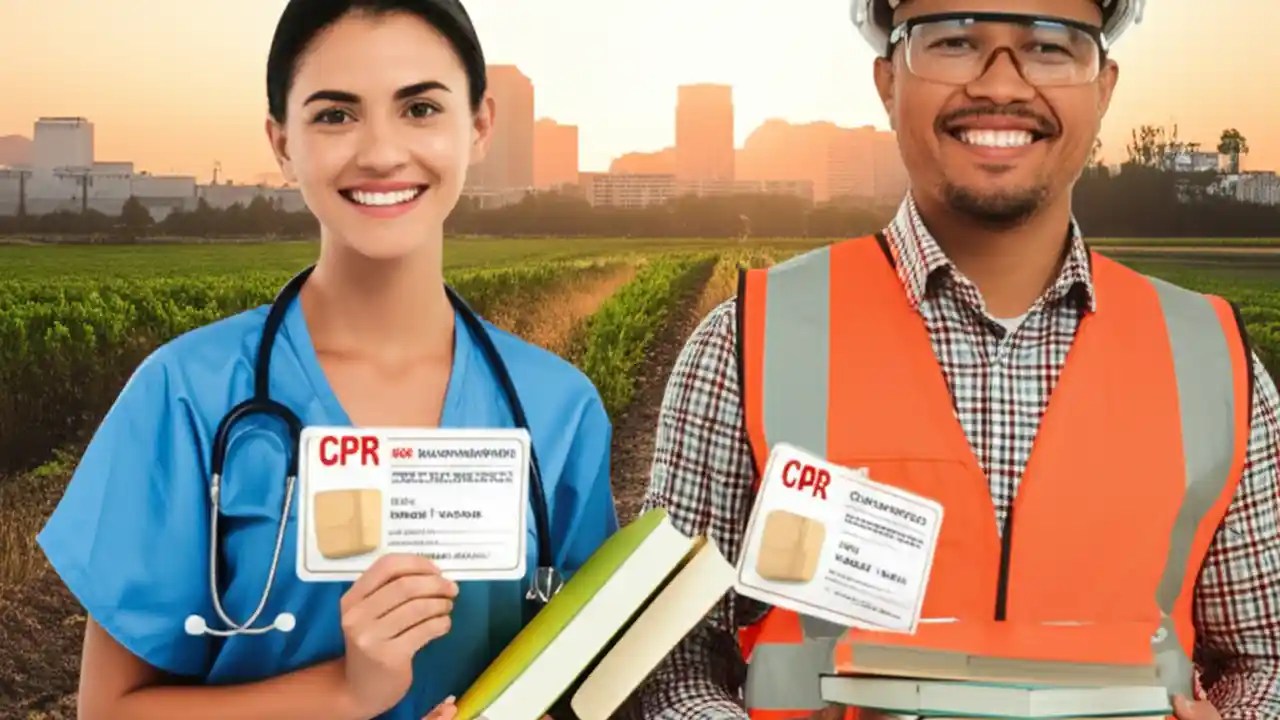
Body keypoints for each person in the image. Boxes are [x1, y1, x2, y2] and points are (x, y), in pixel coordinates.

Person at [633, 1, 1280, 719]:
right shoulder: (744, 345)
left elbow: (1265, 658)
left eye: (1050, 47)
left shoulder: (1213, 361)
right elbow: (666, 665)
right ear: (887, 82)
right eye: (954, 42)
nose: (1000, 84)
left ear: (1103, 89)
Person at [34, 1, 618, 719]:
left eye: (421, 109)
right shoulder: (186, 394)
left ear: (478, 125)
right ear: (282, 143)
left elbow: (586, 680)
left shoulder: (558, 410)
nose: (380, 153)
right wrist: (345, 692)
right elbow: (111, 710)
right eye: (336, 115)